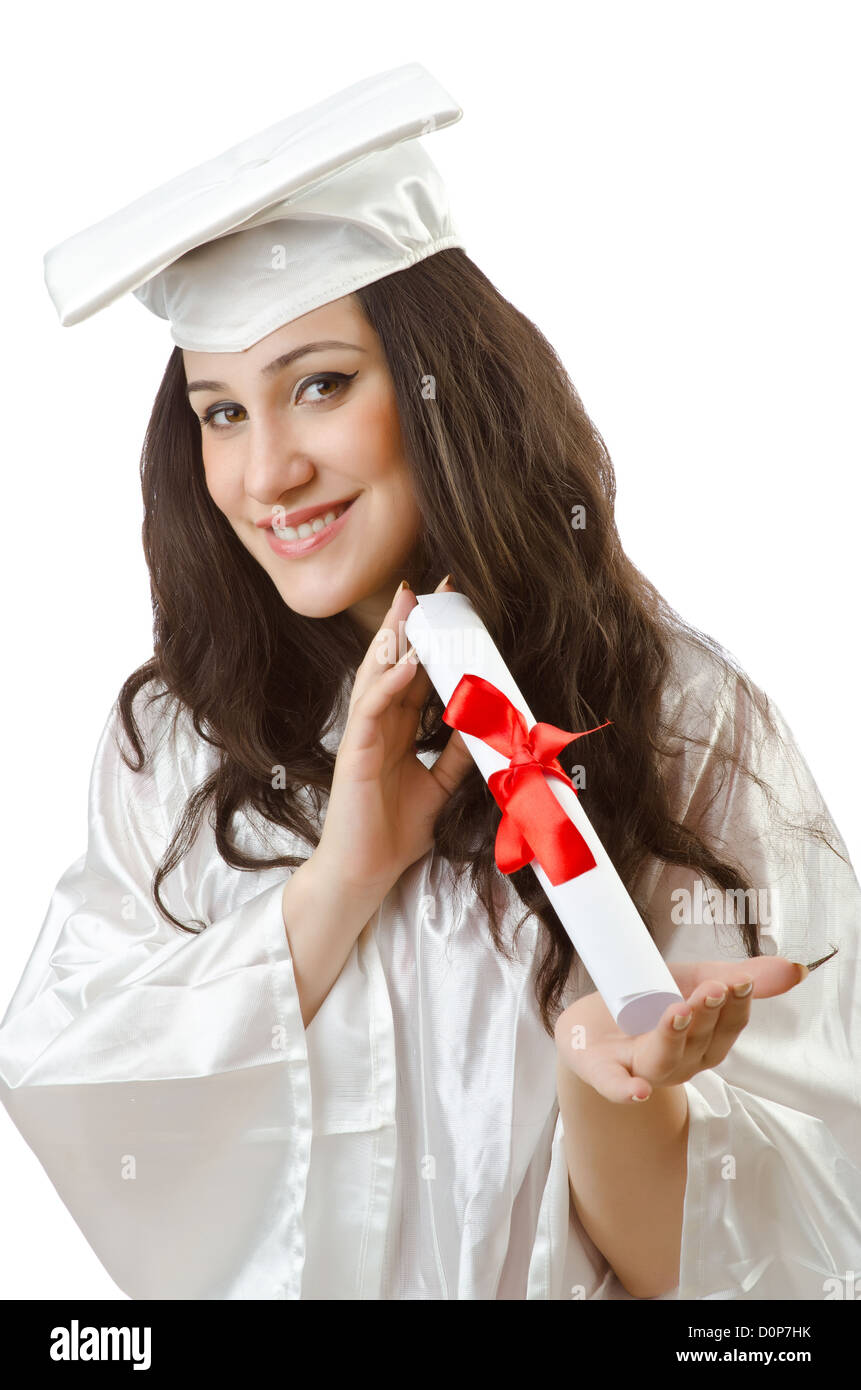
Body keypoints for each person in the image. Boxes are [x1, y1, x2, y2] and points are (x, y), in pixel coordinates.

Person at [1, 63, 859, 1302]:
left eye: (320, 384)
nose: (266, 474)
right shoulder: (177, 742)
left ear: (437, 383)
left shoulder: (676, 715)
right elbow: (85, 1107)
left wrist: (608, 1079)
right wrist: (341, 881)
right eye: (220, 412)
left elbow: (766, 1284)